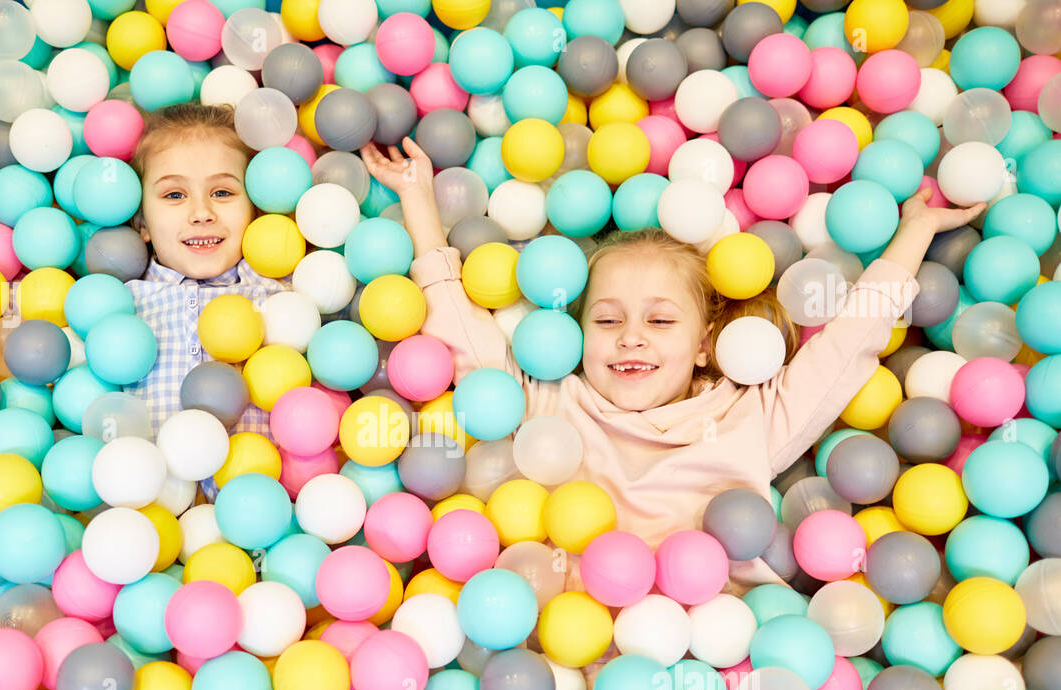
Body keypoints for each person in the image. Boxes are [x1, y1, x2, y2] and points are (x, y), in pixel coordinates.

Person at [361, 136, 985, 594]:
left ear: (707, 343)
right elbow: (466, 340)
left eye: (660, 322)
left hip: (714, 641)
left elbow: (848, 345)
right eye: (606, 321)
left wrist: (918, 229)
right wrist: (418, 200)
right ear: (574, 334)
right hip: (562, 641)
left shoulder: (749, 418)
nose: (631, 339)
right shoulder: (552, 405)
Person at [123, 103, 287, 503]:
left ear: (255, 208)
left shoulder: (280, 301)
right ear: (141, 223)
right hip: (146, 521)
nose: (201, 213)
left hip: (259, 514)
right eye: (175, 194)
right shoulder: (122, 305)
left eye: (223, 192)